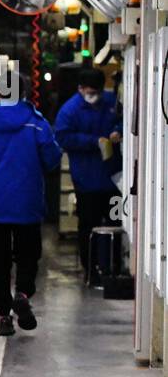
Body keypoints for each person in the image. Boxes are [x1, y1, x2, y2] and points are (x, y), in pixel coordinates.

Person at [0, 78, 63, 336]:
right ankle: (22, 293)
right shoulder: (36, 123)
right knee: (28, 255)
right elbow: (52, 158)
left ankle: (3, 316)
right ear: (24, 92)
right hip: (27, 202)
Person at [55, 68, 122, 276]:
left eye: (97, 92)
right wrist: (94, 142)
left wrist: (118, 131)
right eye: (89, 91)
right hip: (87, 181)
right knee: (88, 225)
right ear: (80, 89)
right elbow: (63, 137)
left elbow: (126, 119)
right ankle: (90, 267)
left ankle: (114, 266)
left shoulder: (112, 102)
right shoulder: (70, 111)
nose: (93, 96)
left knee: (115, 223)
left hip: (114, 180)